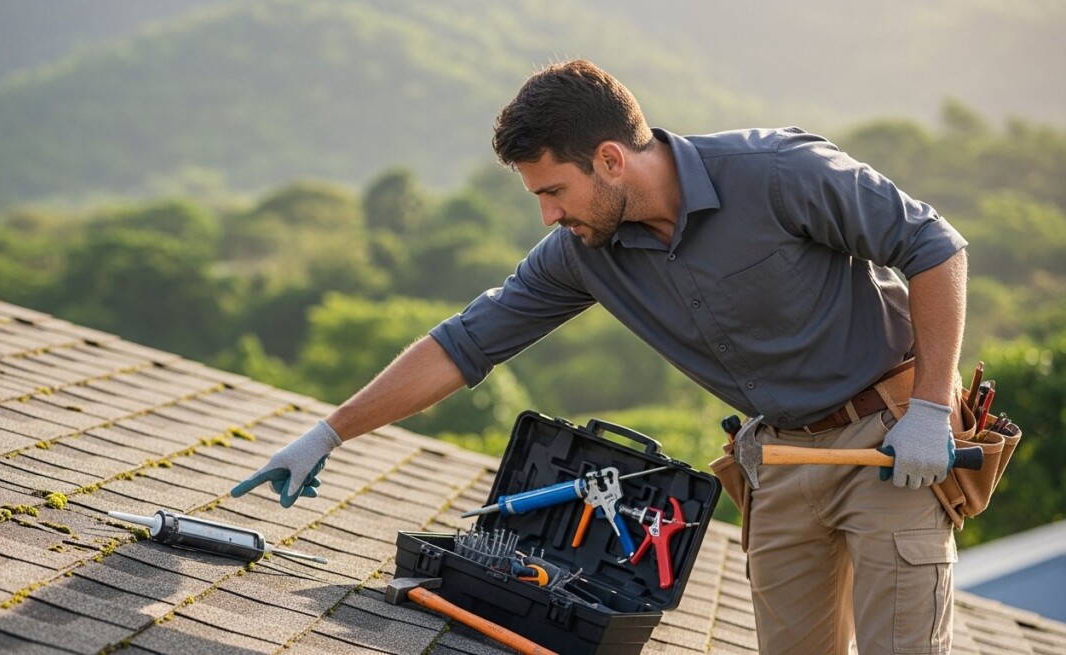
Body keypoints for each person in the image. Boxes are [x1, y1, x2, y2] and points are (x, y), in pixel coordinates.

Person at [231, 59, 967, 654]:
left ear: (611, 159)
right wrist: (330, 431)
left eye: (554, 189)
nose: (548, 214)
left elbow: (935, 247)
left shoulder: (776, 171)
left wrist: (932, 407)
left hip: (888, 444)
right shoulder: (583, 254)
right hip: (776, 461)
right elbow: (465, 343)